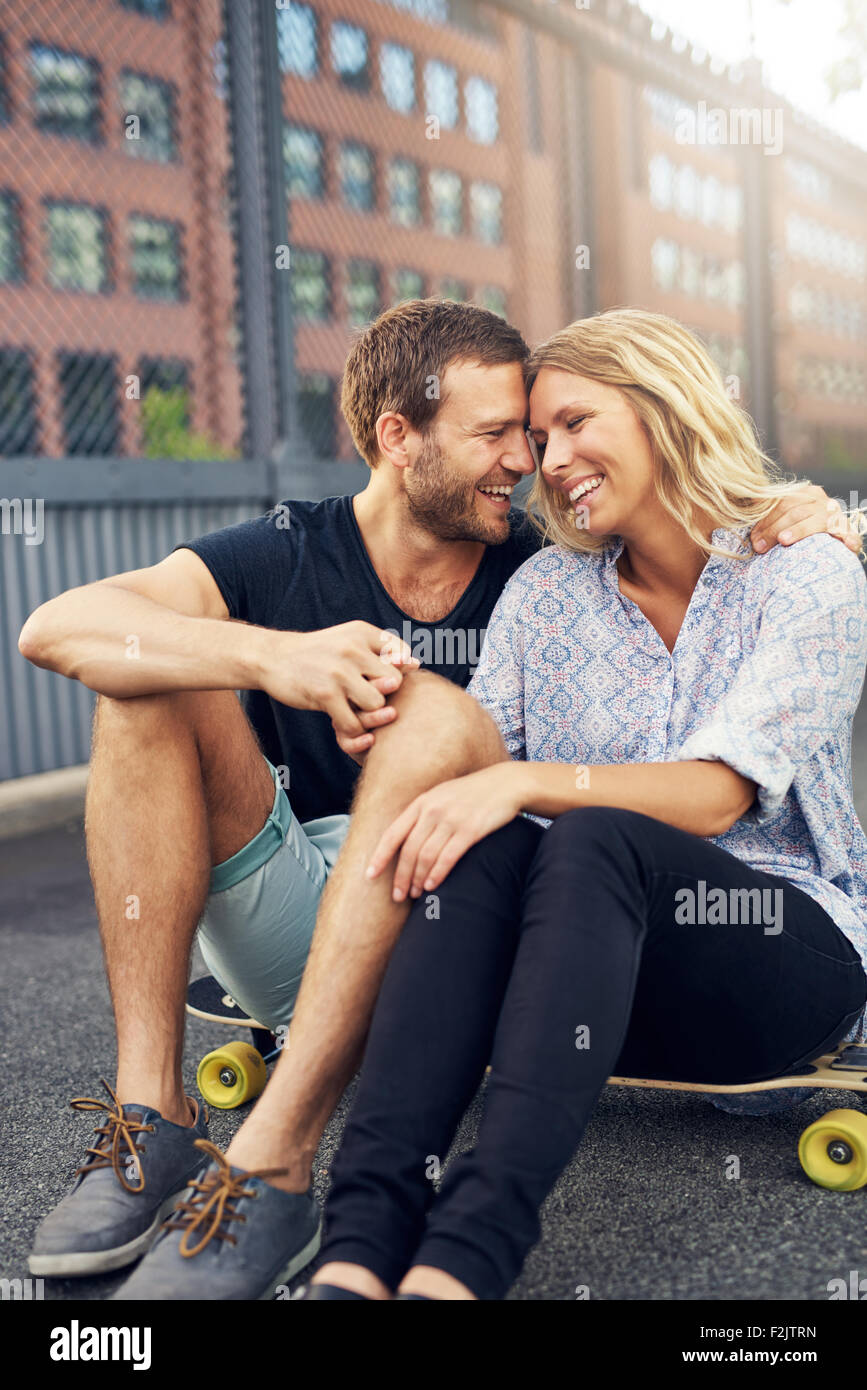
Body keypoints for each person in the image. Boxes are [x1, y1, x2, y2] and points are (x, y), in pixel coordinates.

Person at [17, 299, 854, 1299]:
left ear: (662, 407)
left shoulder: (590, 562)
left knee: (516, 786)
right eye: (507, 435)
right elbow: (55, 626)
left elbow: (701, 769)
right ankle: (205, 1152)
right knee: (142, 674)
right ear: (397, 437)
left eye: (550, 429)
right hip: (360, 905)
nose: (532, 463)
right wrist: (279, 659)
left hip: (596, 917)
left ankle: (363, 1214)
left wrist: (835, 519)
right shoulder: (352, 563)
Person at [298, 308, 867, 1302]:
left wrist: (520, 780)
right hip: (585, 990)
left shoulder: (804, 569)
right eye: (532, 437)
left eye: (570, 423)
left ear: (659, 406)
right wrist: (392, 726)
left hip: (777, 963)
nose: (545, 461)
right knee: (477, 846)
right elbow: (466, 765)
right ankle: (353, 1250)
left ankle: (462, 1263)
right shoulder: (548, 594)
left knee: (593, 830)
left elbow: (718, 790)